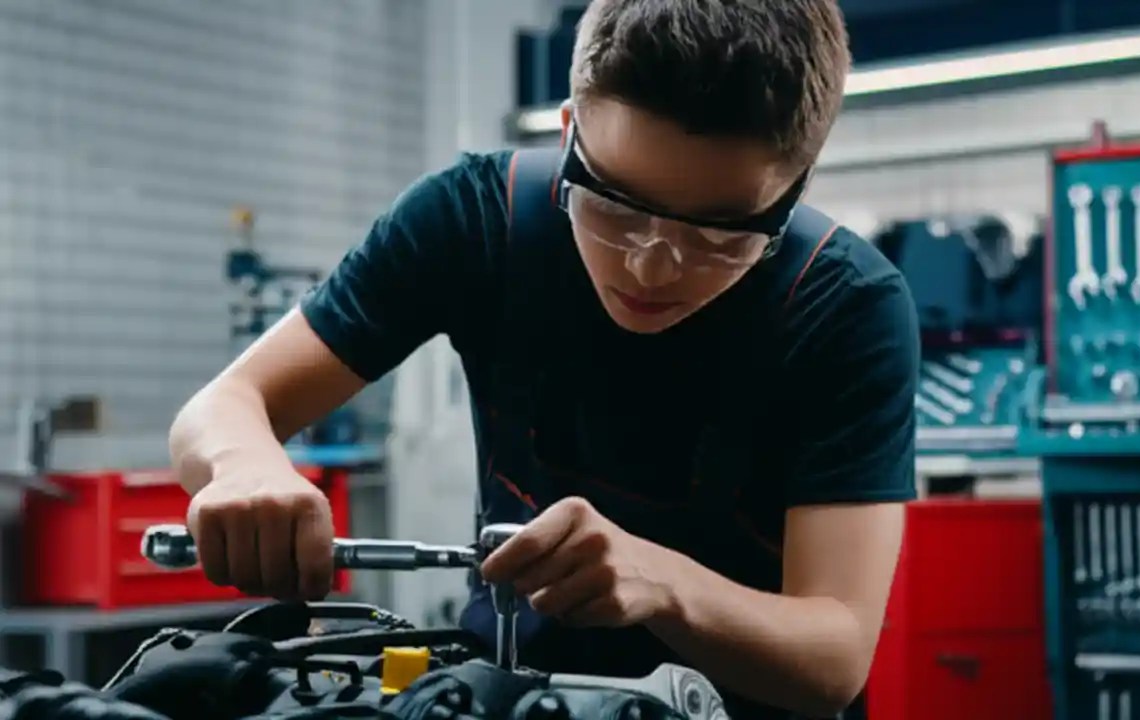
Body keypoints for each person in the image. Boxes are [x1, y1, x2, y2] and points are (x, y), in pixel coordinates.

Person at [169, 1, 920, 718]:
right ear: (568, 132)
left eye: (720, 235)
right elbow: (222, 409)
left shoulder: (848, 309)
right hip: (497, 689)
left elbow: (834, 658)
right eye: (614, 205)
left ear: (793, 193)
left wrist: (661, 582)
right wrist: (247, 469)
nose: (651, 268)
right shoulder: (473, 221)